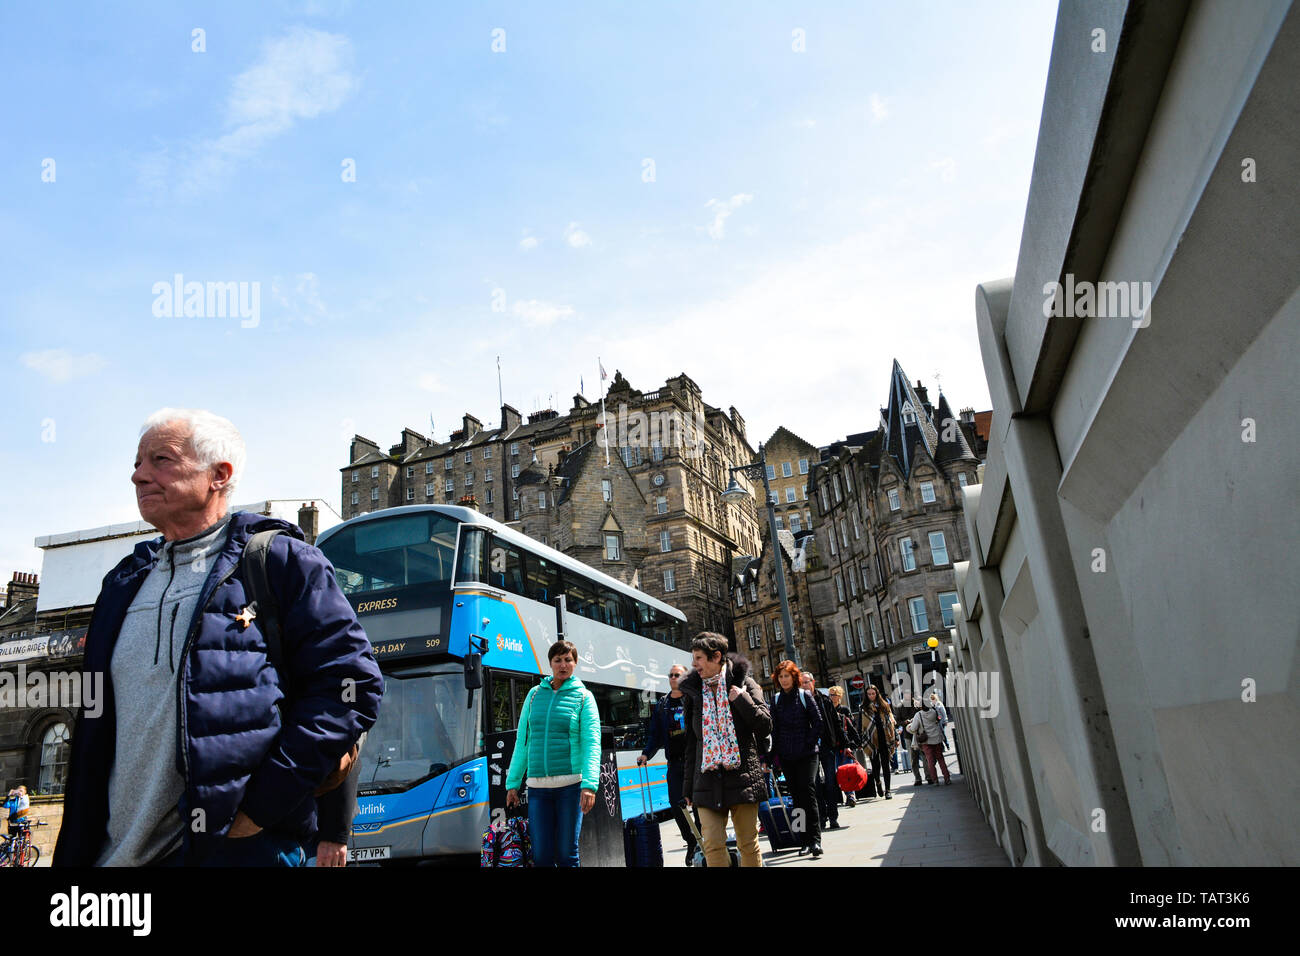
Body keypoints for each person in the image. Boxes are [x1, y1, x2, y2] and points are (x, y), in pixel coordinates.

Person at [54, 408, 384, 867]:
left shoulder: (281, 562)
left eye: (160, 460)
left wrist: (255, 812)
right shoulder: (121, 583)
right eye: (136, 463)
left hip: (234, 853)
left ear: (218, 475)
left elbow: (349, 689)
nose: (138, 475)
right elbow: (94, 731)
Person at [505, 640, 601, 867]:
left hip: (570, 788)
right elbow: (523, 741)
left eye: (568, 660)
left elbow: (591, 743)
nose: (563, 665)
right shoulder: (534, 695)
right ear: (550, 663)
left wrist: (589, 785)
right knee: (541, 856)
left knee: (567, 854)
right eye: (558, 660)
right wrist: (513, 783)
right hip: (538, 789)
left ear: (575, 663)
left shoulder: (584, 697)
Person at [678, 633, 771, 868]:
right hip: (707, 778)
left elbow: (765, 726)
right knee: (711, 845)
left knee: (747, 843)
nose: (694, 664)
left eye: (699, 658)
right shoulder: (693, 692)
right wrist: (688, 785)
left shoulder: (744, 684)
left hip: (742, 776)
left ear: (716, 656)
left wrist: (742, 700)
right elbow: (691, 743)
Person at [638, 664, 701, 864]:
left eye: (677, 675)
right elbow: (655, 735)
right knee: (676, 807)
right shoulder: (663, 704)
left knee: (699, 806)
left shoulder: (691, 699)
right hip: (674, 765)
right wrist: (646, 754)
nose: (673, 678)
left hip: (695, 762)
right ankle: (691, 841)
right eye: (671, 675)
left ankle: (704, 842)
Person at [769, 660, 824, 857]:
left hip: (807, 754)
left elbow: (818, 722)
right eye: (781, 676)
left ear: (794, 677)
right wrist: (770, 757)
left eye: (787, 676)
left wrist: (809, 742)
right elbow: (773, 730)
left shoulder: (804, 695)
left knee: (808, 793)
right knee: (796, 799)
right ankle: (804, 840)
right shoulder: (775, 701)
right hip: (787, 755)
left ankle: (815, 840)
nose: (784, 680)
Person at [800, 672, 847, 830]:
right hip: (810, 748)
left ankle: (833, 816)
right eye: (802, 683)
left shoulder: (825, 700)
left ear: (813, 682)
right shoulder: (799, 702)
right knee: (815, 785)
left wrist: (845, 744)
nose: (804, 685)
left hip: (827, 745)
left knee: (830, 782)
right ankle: (821, 817)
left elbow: (836, 723)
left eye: (807, 682)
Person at [826, 686, 862, 807]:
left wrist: (852, 744)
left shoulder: (844, 710)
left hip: (845, 745)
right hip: (833, 746)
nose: (831, 697)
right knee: (838, 771)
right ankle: (847, 794)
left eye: (834, 695)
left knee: (847, 770)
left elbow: (852, 727)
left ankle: (850, 795)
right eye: (830, 695)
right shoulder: (827, 709)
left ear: (839, 696)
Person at [861, 684, 896, 799]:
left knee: (886, 764)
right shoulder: (863, 707)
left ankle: (888, 790)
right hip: (871, 739)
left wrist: (895, 738)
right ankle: (878, 783)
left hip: (885, 737)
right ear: (866, 695)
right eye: (869, 694)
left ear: (877, 693)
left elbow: (891, 721)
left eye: (873, 693)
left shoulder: (884, 705)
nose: (871, 695)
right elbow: (862, 725)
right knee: (876, 766)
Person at [908, 695, 952, 785]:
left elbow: (913, 728)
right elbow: (938, 720)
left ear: (920, 706)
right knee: (941, 759)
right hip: (937, 738)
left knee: (930, 761)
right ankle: (947, 778)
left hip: (926, 741)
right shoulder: (933, 712)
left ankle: (935, 780)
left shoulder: (918, 715)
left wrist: (909, 727)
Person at [894, 690, 929, 785]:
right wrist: (904, 722)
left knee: (925, 755)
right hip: (908, 735)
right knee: (913, 758)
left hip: (920, 734)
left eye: (909, 694)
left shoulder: (917, 704)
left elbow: (924, 714)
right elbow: (897, 722)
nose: (907, 696)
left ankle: (928, 776)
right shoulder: (900, 706)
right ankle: (917, 778)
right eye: (905, 694)